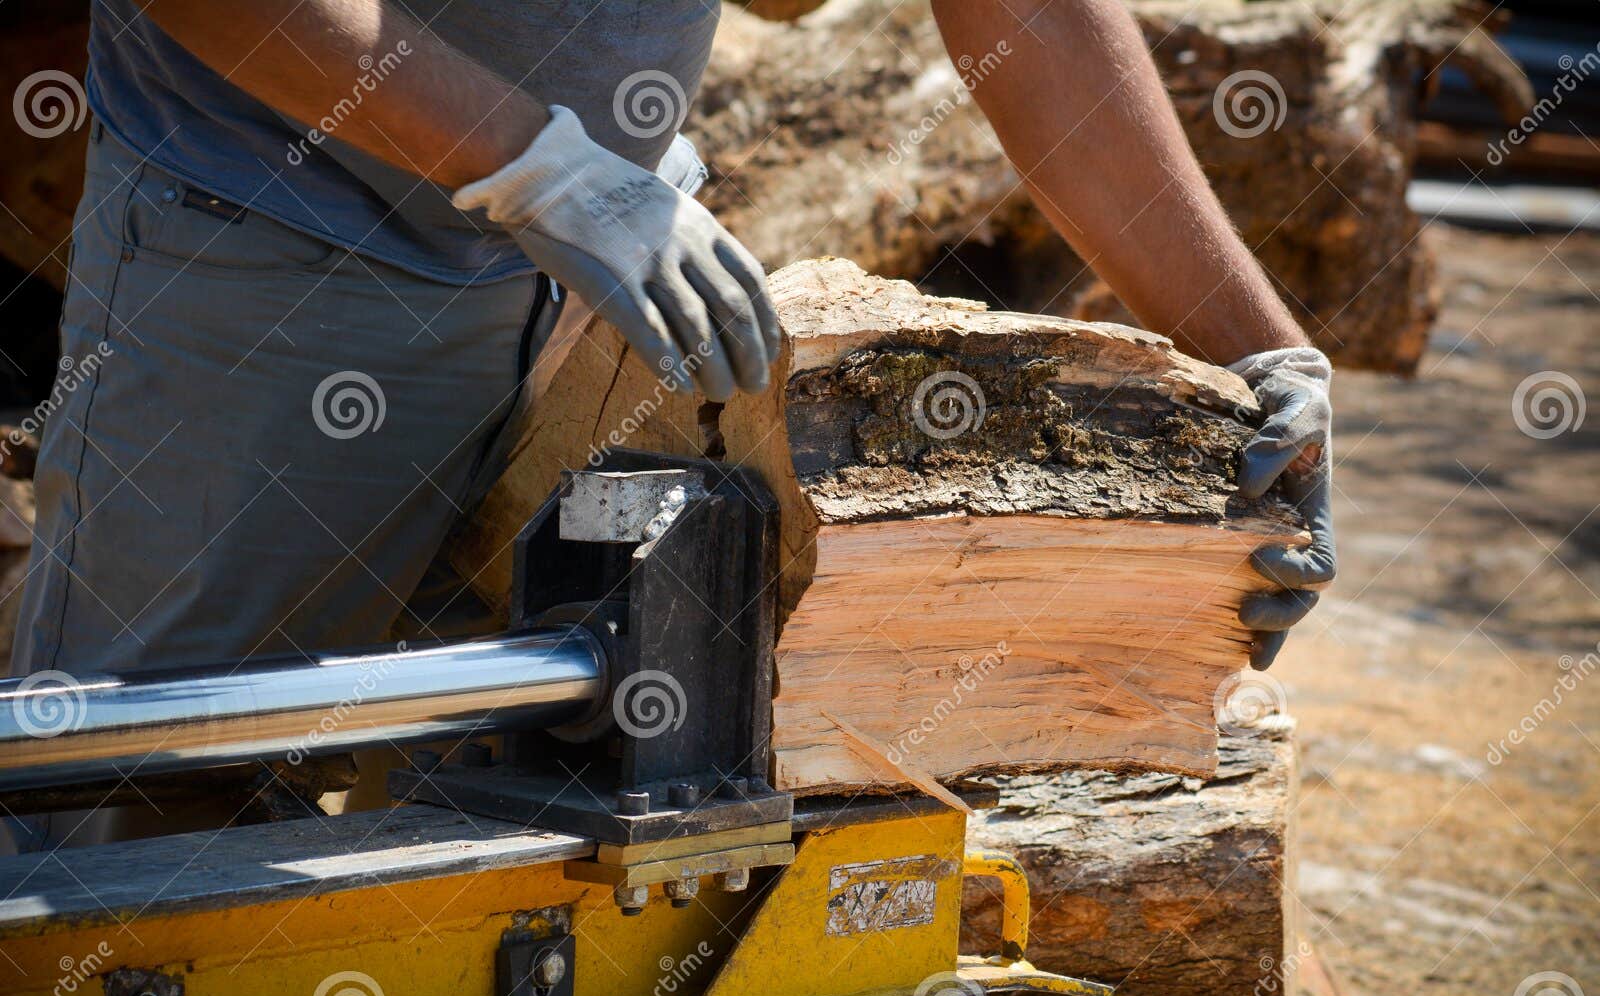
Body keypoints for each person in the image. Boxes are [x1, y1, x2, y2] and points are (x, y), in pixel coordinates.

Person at [3, 0, 1334, 853]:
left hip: (622, 266)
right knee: (142, 829)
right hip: (281, 249)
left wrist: (1252, 356)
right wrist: (536, 168)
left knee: (564, 823)